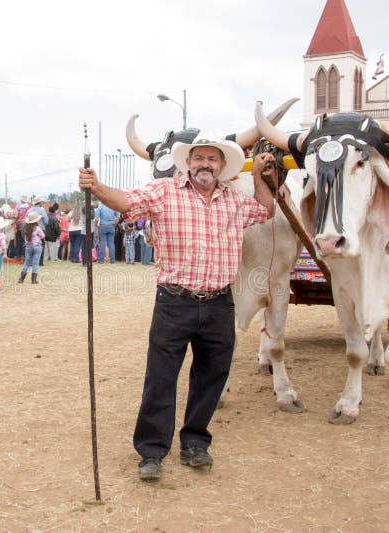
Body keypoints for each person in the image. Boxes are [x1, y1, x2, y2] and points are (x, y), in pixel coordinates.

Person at [78, 132, 277, 481]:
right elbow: (126, 202)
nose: (205, 164)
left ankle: (195, 443)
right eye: (198, 158)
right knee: (161, 377)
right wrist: (96, 187)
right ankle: (152, 451)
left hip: (218, 303)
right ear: (187, 162)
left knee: (212, 376)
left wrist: (260, 177)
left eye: (212, 159)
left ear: (222, 165)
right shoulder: (164, 191)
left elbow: (265, 209)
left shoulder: (235, 198)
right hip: (174, 301)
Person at [18, 210, 45, 284]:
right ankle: (33, 280)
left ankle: (21, 279)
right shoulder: (37, 228)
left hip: (28, 246)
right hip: (37, 246)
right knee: (35, 263)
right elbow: (43, 236)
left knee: (26, 263)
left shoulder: (25, 228)